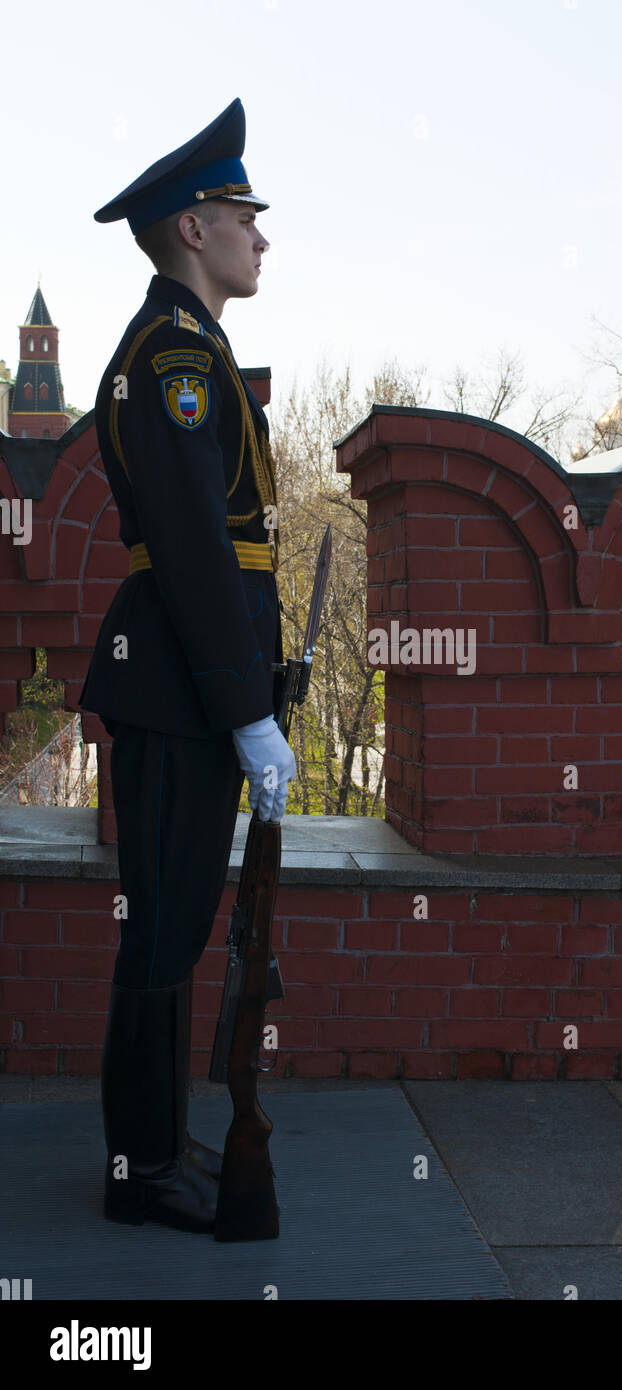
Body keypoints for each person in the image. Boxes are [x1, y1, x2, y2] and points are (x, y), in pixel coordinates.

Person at [78, 98, 296, 1234]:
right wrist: (244, 709)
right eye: (242, 214)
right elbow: (198, 554)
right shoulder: (172, 356)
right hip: (175, 687)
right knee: (162, 924)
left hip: (184, 683)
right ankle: (143, 1169)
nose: (261, 237)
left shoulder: (195, 349)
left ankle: (156, 1145)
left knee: (178, 917)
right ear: (192, 227)